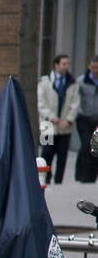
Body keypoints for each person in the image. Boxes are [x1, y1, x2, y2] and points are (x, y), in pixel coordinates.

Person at [38, 53, 79, 184]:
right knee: (46, 153)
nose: (66, 66)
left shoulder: (72, 82)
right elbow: (41, 102)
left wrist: (68, 120)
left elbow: (75, 103)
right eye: (63, 64)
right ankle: (46, 179)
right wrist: (52, 117)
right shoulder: (45, 81)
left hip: (64, 126)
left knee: (62, 156)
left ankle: (59, 182)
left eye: (67, 64)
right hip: (47, 125)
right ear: (56, 65)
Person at [76, 56, 98, 183]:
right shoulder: (81, 81)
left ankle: (92, 176)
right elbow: (74, 98)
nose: (95, 70)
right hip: (84, 118)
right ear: (89, 67)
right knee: (85, 145)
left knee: (95, 147)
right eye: (93, 67)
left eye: (97, 68)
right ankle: (82, 174)